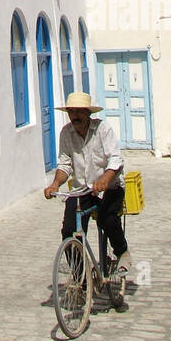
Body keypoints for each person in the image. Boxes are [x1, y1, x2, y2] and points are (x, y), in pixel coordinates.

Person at [44, 91, 132, 273]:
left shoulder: (103, 130)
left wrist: (104, 180)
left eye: (79, 111)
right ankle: (80, 279)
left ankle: (122, 252)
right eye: (71, 112)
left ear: (88, 113)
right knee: (69, 230)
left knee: (107, 219)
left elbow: (115, 160)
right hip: (82, 189)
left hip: (109, 187)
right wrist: (55, 184)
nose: (75, 116)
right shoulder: (66, 133)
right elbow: (65, 164)